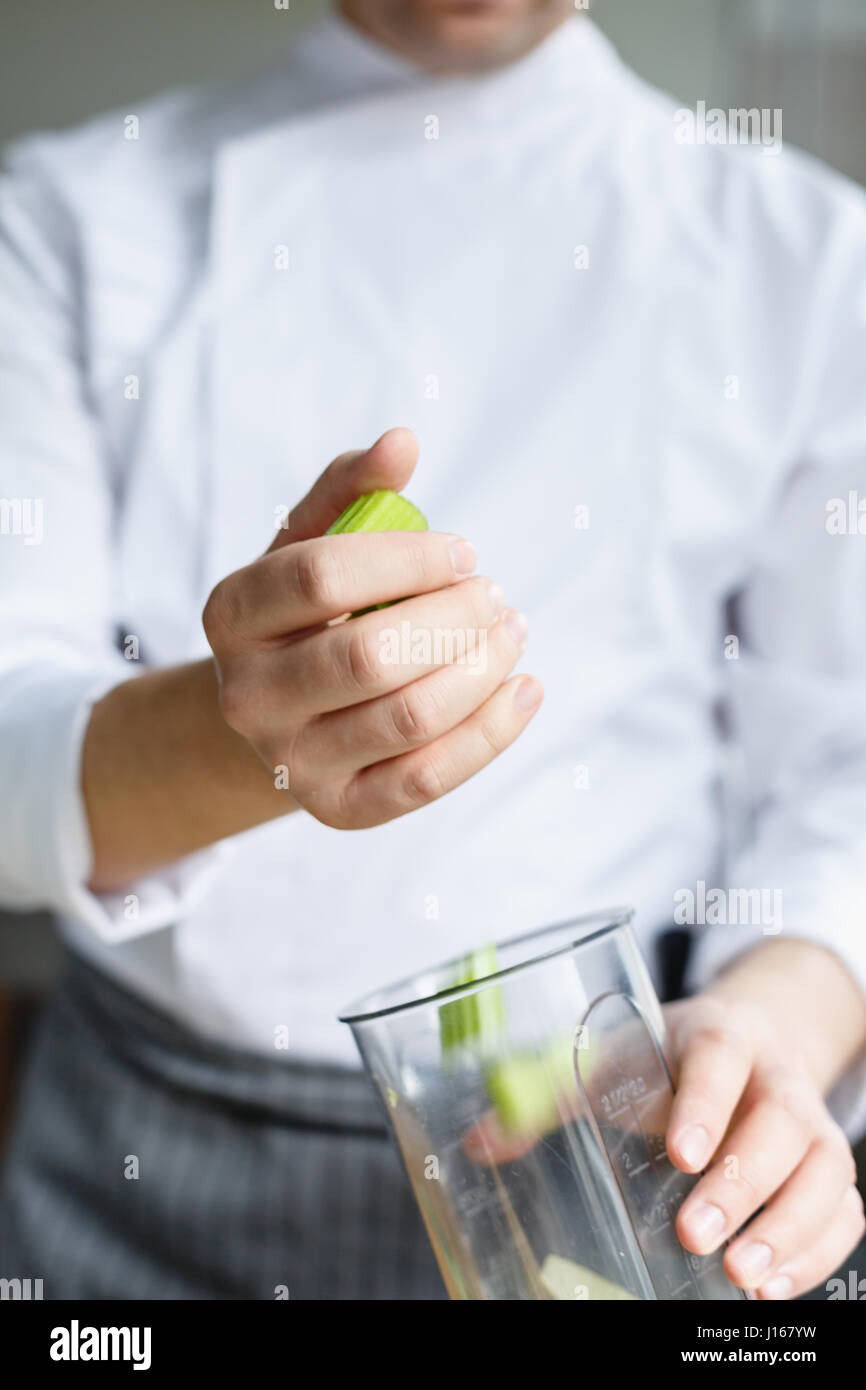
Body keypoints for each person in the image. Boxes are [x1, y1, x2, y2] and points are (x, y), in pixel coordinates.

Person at [0, 0, 865, 1301]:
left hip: (609, 1142)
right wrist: (251, 740)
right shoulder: (66, 215)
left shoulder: (803, 251)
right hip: (150, 1178)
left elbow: (845, 770)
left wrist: (770, 1030)